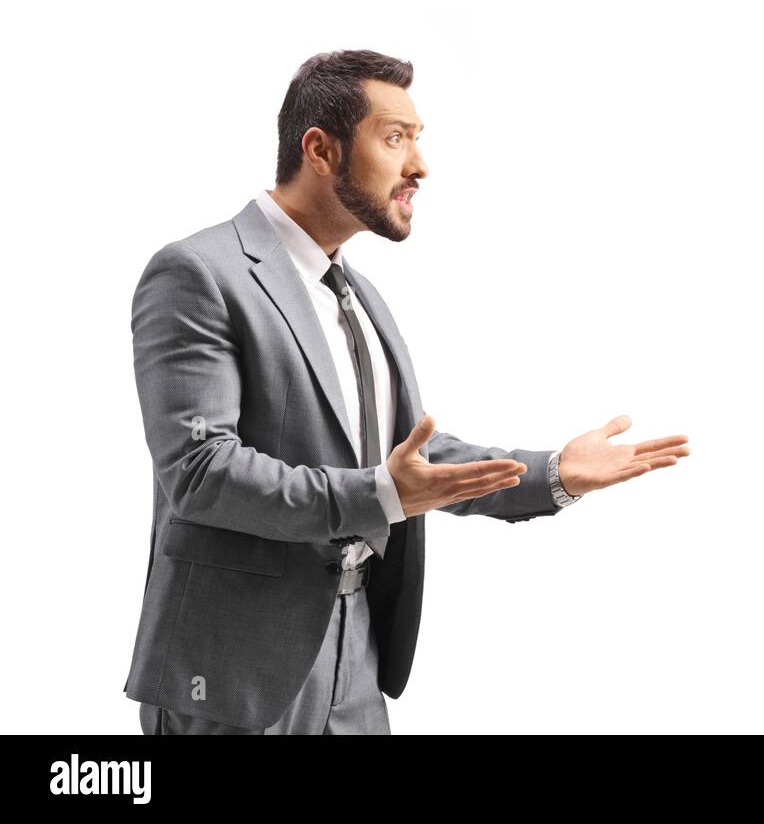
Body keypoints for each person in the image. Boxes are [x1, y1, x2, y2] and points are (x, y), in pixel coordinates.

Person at [125, 49, 690, 734]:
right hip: (234, 669)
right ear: (321, 149)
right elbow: (201, 474)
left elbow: (408, 457)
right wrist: (380, 495)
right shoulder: (199, 273)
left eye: (417, 141)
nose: (419, 166)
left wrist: (551, 475)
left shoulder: (358, 295)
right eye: (396, 138)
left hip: (357, 658)